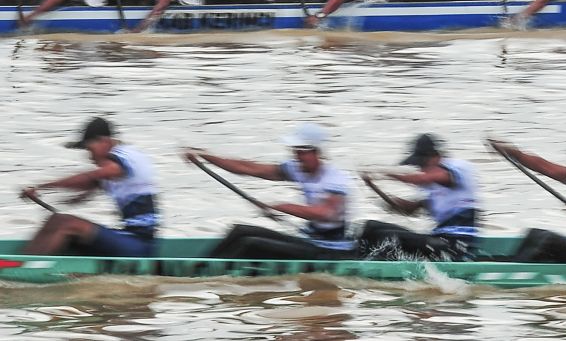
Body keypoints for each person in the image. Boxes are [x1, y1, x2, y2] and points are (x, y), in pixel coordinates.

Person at [186, 123, 356, 259]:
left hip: (332, 251)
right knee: (240, 231)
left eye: (301, 152)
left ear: (316, 152)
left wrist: (277, 207)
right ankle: (201, 267)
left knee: (250, 243)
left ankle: (205, 275)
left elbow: (323, 213)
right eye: (295, 151)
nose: (296, 157)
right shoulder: (299, 169)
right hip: (310, 239)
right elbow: (248, 168)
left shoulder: (335, 180)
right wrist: (205, 156)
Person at [20, 117, 159, 257]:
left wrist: (41, 187)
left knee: (64, 222)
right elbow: (83, 188)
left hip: (139, 245)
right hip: (127, 238)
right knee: (56, 222)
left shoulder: (126, 156)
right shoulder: (113, 169)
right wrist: (59, 199)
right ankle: (26, 261)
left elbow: (89, 177)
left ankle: (25, 265)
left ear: (104, 141)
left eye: (90, 149)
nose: (90, 157)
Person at [360, 134, 479, 261]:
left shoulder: (457, 168)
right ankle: (357, 263)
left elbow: (424, 178)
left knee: (388, 237)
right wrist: (374, 188)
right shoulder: (430, 187)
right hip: (437, 240)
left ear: (433, 157)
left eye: (421, 163)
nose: (420, 168)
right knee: (370, 227)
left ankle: (372, 267)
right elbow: (406, 209)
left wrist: (383, 174)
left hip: (456, 246)